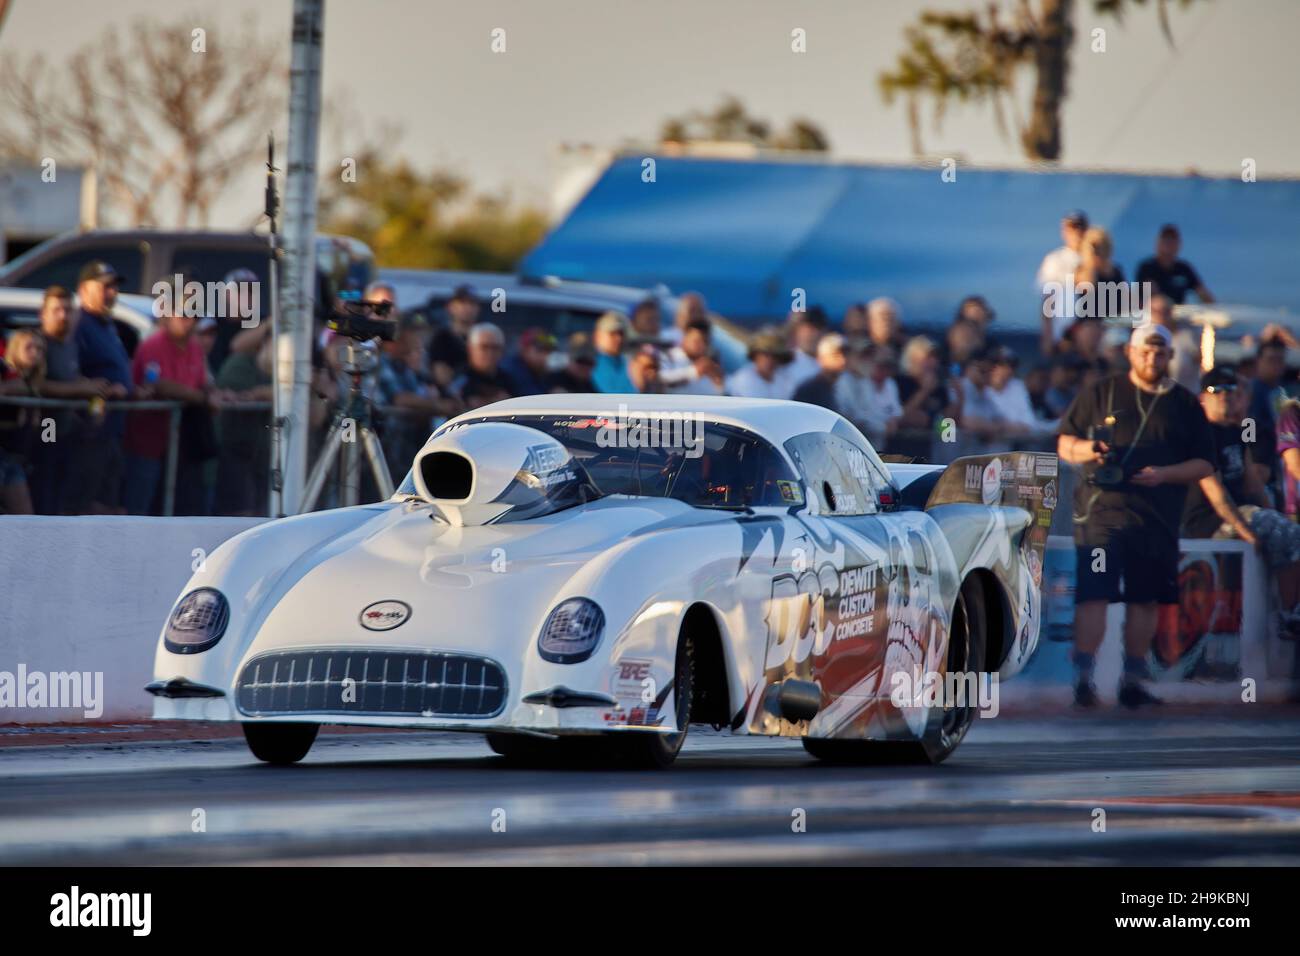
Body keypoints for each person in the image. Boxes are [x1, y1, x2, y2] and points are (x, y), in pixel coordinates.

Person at [1057, 322, 1215, 708]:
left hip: (1157, 516)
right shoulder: (1103, 391)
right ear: (1130, 352)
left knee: (1146, 599)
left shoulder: (1185, 404)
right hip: (1101, 513)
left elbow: (1204, 463)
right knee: (1093, 595)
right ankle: (1083, 679)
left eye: (1159, 352)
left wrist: (1164, 475)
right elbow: (1064, 442)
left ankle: (1132, 680)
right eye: (1144, 351)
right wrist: (1089, 451)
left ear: (1169, 356)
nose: (1152, 358)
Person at [1181, 367, 1300, 637]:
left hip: (1242, 513)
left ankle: (1289, 611)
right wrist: (1248, 532)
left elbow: (1253, 484)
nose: (1225, 396)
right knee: (1288, 534)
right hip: (1209, 521)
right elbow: (1215, 492)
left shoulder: (1238, 431)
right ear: (1203, 398)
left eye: (1231, 390)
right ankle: (1289, 614)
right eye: (1216, 390)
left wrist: (1273, 515)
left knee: (1288, 530)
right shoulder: (1199, 434)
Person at [123, 283, 223, 515]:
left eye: (194, 316)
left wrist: (210, 392)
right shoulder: (153, 345)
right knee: (142, 506)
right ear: (169, 315)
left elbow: (203, 381)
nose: (189, 321)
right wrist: (202, 398)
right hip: (148, 442)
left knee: (179, 507)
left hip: (181, 447)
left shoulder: (194, 348)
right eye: (184, 315)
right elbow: (160, 384)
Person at [70, 261, 135, 514]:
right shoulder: (78, 324)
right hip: (89, 431)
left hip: (110, 432)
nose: (112, 293)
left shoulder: (106, 325)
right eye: (105, 286)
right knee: (86, 504)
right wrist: (103, 389)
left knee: (110, 504)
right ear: (84, 289)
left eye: (114, 287)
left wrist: (130, 388)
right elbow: (69, 374)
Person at [0, 330, 46, 514]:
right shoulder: (6, 372)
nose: (35, 352)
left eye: (40, 348)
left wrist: (47, 440)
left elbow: (47, 427)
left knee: (25, 519)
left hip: (17, 459)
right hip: (4, 452)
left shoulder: (37, 385)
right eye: (29, 347)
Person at [894, 336, 954, 462]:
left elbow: (950, 421)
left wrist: (959, 395)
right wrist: (924, 391)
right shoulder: (900, 383)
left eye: (935, 358)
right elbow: (900, 416)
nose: (933, 363)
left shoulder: (939, 387)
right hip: (901, 453)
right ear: (913, 359)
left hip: (933, 454)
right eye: (928, 358)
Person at [1037, 209, 1089, 351]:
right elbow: (1048, 300)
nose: (1076, 232)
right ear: (1064, 231)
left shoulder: (1096, 260)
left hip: (1090, 337)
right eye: (1071, 228)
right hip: (1060, 337)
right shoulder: (1054, 260)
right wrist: (1047, 335)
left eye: (1080, 227)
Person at [836, 343, 902, 450]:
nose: (866, 361)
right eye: (862, 356)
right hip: (846, 446)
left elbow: (875, 413)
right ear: (849, 358)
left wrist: (888, 423)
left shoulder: (866, 381)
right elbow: (852, 418)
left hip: (872, 447)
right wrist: (883, 427)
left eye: (869, 356)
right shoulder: (842, 382)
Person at [1135, 224, 1213, 305]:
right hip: (1152, 314)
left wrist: (1216, 308)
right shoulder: (1147, 268)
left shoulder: (1184, 268)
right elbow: (1152, 294)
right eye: (1166, 241)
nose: (1168, 246)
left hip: (1178, 314)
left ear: (1179, 245)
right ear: (1158, 244)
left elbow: (1202, 293)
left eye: (1172, 242)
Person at [451, 322, 516, 410]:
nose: (490, 353)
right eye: (484, 347)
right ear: (470, 349)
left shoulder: (509, 380)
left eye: (495, 347)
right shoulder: (458, 379)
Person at [428, 284, 480, 387]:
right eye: (462, 303)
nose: (467, 307)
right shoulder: (441, 338)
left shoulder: (484, 338)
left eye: (472, 303)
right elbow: (442, 378)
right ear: (450, 307)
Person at [660, 318, 724, 395]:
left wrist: (718, 382)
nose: (702, 346)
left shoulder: (709, 365)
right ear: (685, 338)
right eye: (697, 341)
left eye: (706, 342)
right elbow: (661, 381)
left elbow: (715, 395)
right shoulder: (667, 356)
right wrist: (693, 372)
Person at [726, 329, 794, 400]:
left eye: (775, 356)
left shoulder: (784, 381)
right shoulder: (743, 380)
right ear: (755, 355)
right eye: (765, 354)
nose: (770, 360)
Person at [1076, 226, 1126, 321]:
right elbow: (1088, 285)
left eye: (1100, 246)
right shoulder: (1082, 271)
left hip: (1115, 323)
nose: (1097, 251)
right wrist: (1090, 258)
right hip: (1090, 324)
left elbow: (1124, 300)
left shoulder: (1116, 271)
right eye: (1094, 246)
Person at [791, 334, 847, 411]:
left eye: (845, 355)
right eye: (835, 355)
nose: (843, 360)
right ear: (821, 359)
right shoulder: (809, 390)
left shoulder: (845, 384)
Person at [500, 327, 557, 397]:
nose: (545, 356)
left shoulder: (538, 370)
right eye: (540, 350)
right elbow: (532, 398)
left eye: (549, 351)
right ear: (525, 349)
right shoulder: (511, 369)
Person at [590, 311, 635, 393]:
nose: (619, 339)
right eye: (612, 333)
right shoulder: (588, 364)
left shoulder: (629, 362)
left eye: (621, 334)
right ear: (598, 336)